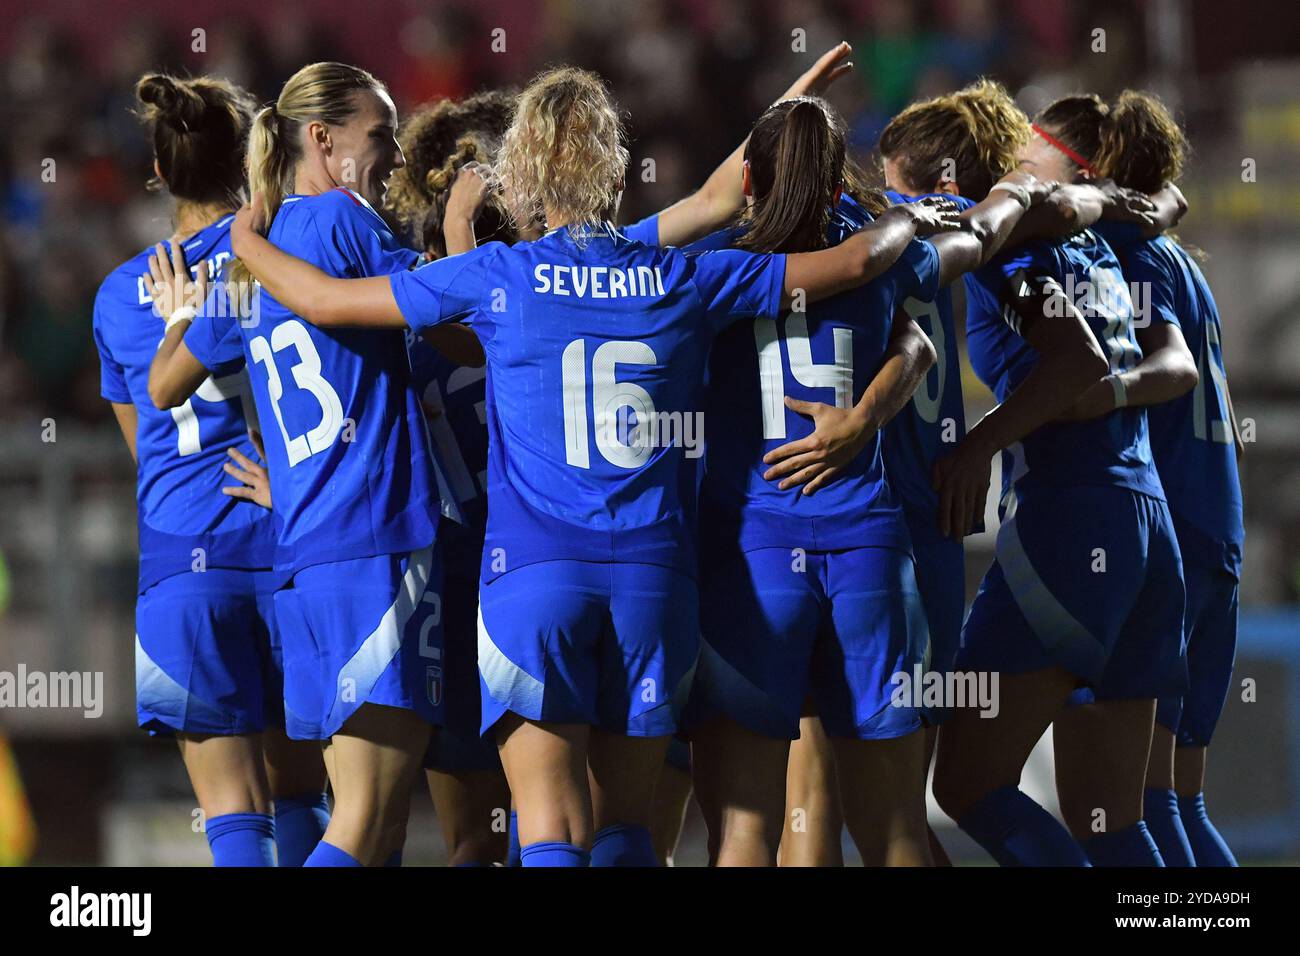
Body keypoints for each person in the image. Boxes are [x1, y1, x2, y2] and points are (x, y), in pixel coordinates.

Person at [223, 65, 963, 866]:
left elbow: (330, 304)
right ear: (616, 167)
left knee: (545, 823)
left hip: (534, 580)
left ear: (523, 173)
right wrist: (901, 218)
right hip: (654, 584)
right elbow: (844, 262)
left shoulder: (500, 276)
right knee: (627, 830)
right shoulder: (680, 273)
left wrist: (245, 244)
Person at [682, 94, 1049, 866]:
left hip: (755, 553)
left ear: (748, 177)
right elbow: (917, 340)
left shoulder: (707, 270)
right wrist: (863, 420)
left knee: (751, 826)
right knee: (895, 827)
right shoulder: (883, 248)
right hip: (871, 550)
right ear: (839, 178)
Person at [147, 62, 462, 867]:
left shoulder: (252, 261)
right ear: (322, 139)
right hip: (377, 544)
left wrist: (189, 304)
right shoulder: (350, 225)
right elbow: (453, 331)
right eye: (380, 132)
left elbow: (165, 381)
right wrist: (462, 242)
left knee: (372, 828)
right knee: (366, 819)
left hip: (303, 559)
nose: (393, 151)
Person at [883, 80, 1187, 867]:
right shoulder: (1087, 241)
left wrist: (978, 445)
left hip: (1070, 520)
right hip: (1147, 527)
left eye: (896, 188)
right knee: (1115, 820)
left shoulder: (1009, 243)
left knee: (967, 784)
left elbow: (1075, 358)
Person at [94, 73, 325, 867]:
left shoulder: (119, 295)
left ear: (158, 171)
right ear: (253, 159)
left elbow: (143, 447)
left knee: (232, 816)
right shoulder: (289, 255)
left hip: (182, 565)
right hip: (288, 544)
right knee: (307, 798)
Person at [1048, 90, 1241, 867]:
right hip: (1211, 532)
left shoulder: (1118, 260)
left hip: (1162, 540)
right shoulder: (1178, 262)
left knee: (1130, 804)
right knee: (1178, 799)